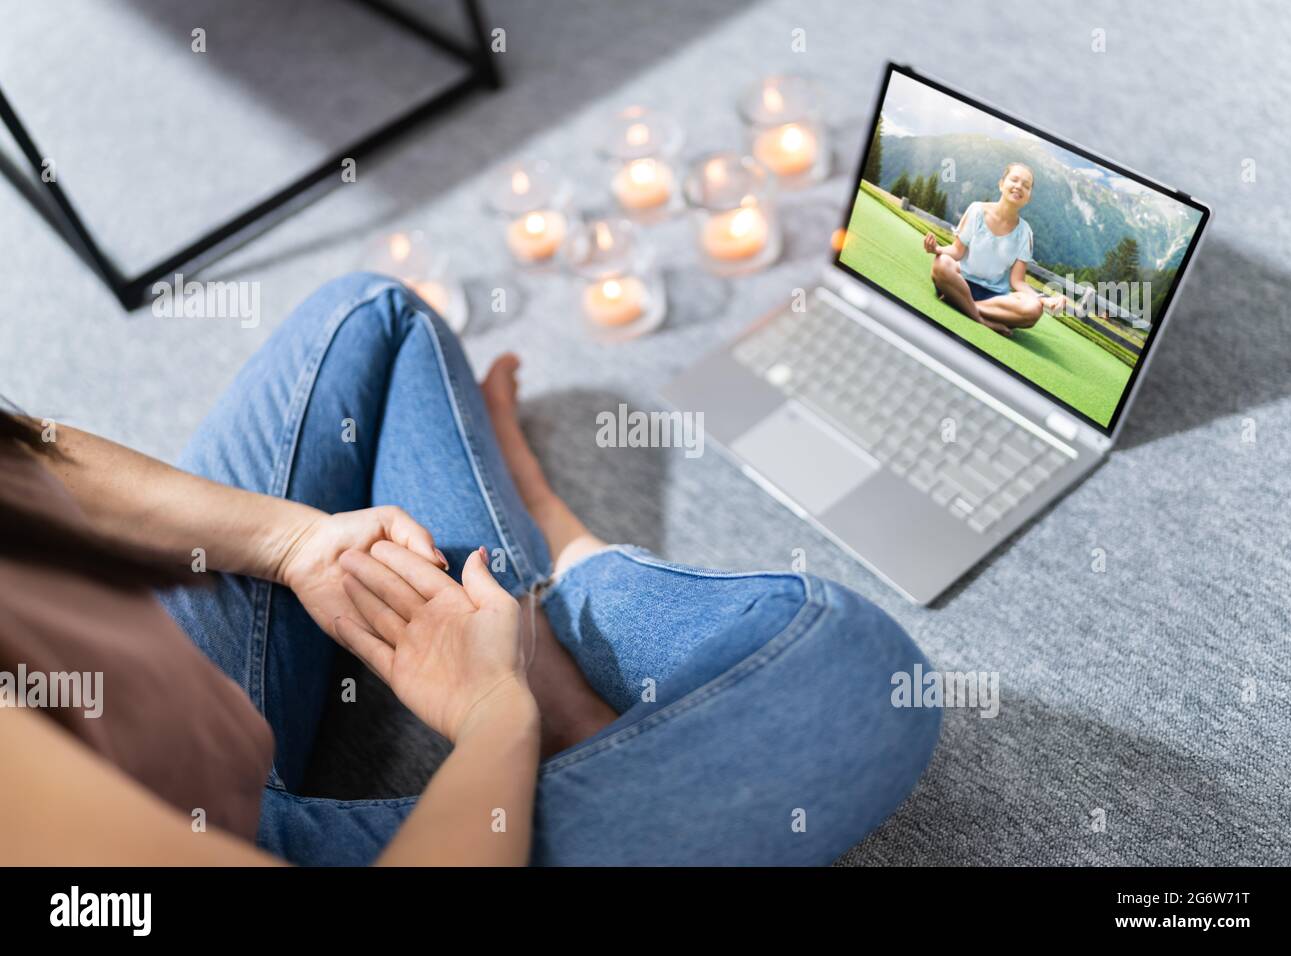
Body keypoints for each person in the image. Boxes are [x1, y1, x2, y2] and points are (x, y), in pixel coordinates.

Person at [0, 273, 941, 866]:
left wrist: (292, 541)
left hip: (142, 710)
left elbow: (21, 457)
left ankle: (541, 626)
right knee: (854, 676)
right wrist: (495, 714)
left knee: (375, 318)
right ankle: (560, 559)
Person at [923, 162, 1065, 336]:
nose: (1019, 186)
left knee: (1034, 310)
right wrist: (936, 249)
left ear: (1028, 197)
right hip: (960, 283)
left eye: (1026, 186)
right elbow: (956, 251)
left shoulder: (1025, 233)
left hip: (995, 301)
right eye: (1014, 180)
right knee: (941, 264)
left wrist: (1044, 300)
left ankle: (962, 304)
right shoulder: (977, 210)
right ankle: (981, 319)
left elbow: (1017, 282)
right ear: (1001, 184)